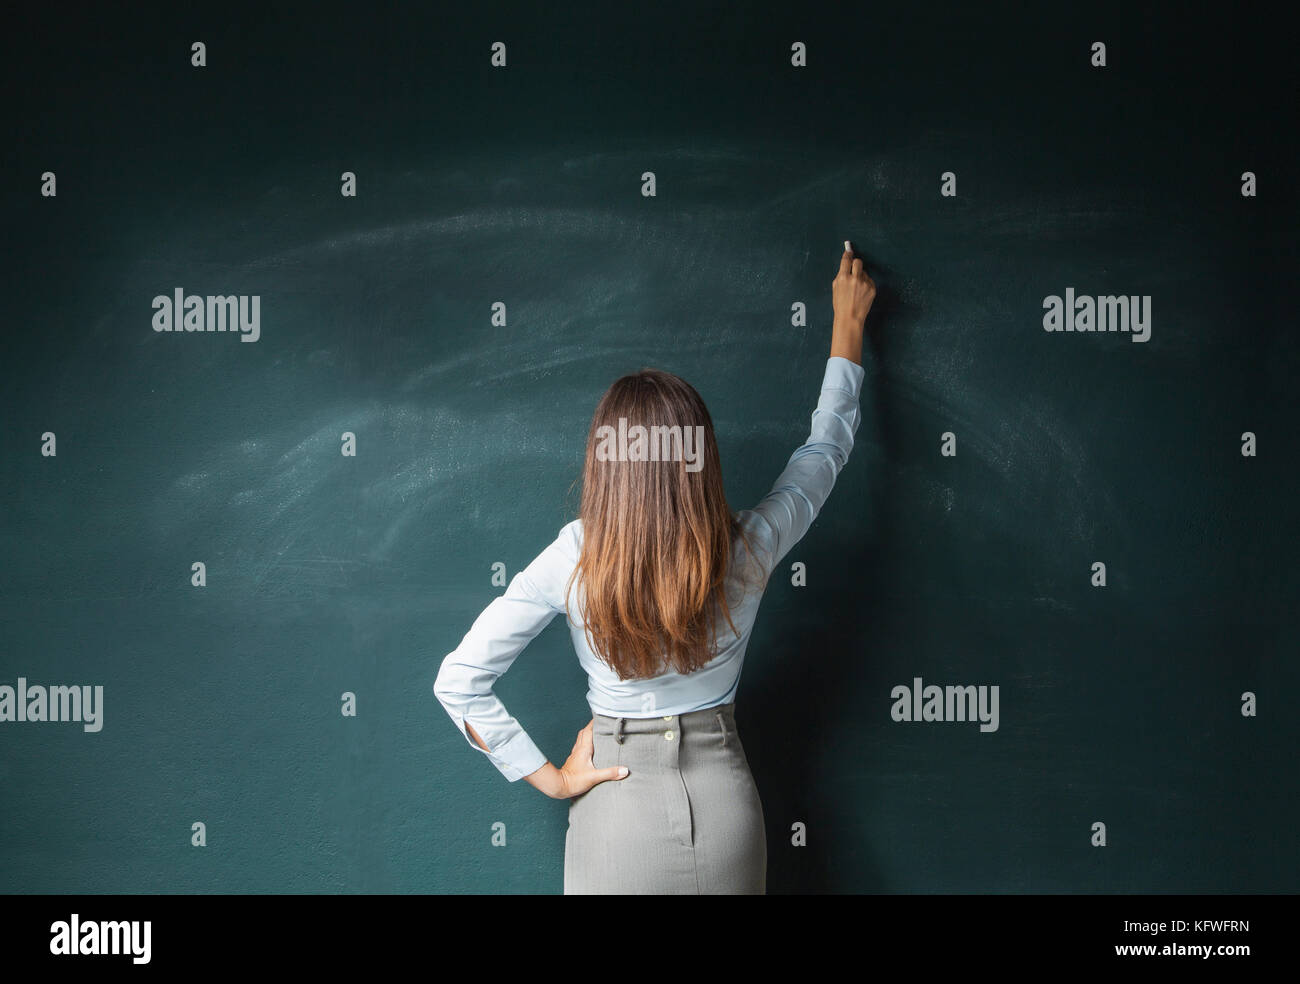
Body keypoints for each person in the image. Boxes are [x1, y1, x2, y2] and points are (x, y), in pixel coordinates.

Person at [434, 244, 876, 893]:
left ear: (606, 465)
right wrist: (848, 326)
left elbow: (459, 682)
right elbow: (826, 447)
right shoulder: (750, 544)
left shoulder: (576, 555)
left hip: (614, 818)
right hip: (727, 813)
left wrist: (550, 777)